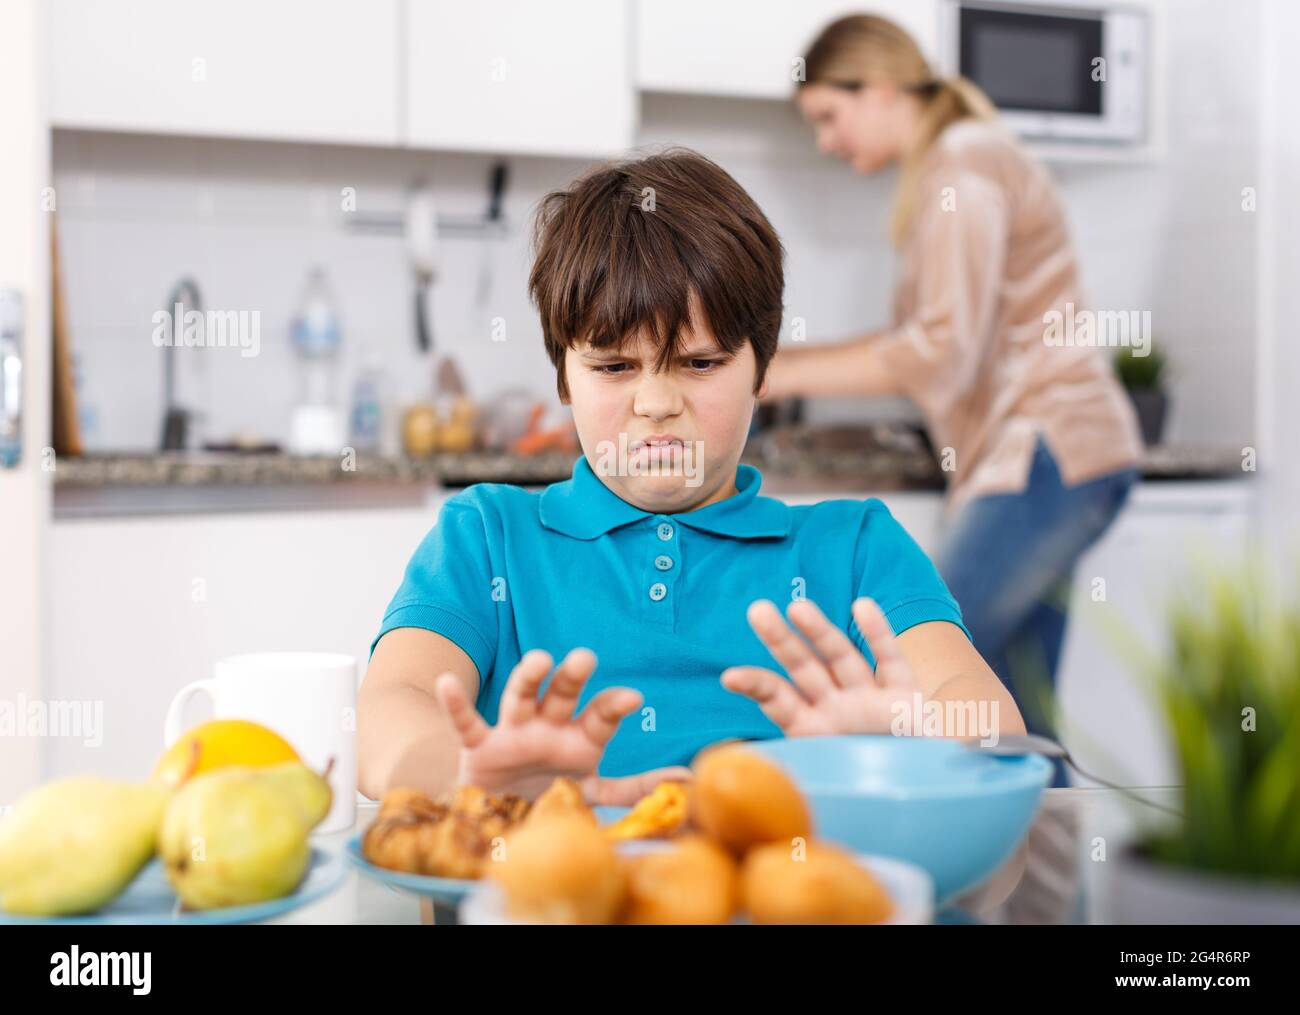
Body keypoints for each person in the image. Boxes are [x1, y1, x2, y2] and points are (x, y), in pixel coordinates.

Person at [358, 148, 1025, 803]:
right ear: (562, 374)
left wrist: (914, 735)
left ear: (762, 371)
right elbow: (389, 714)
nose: (655, 403)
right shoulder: (485, 537)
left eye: (700, 363)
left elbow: (991, 724)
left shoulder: (857, 548)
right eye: (614, 367)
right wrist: (473, 777)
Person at [764, 15, 1142, 785]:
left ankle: (960, 882)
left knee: (936, 665)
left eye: (830, 118)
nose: (829, 143)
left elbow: (940, 347)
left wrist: (776, 368)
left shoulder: (962, 173)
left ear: (879, 87)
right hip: (1059, 455)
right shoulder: (961, 165)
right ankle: (1043, 902)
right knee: (1015, 711)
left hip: (1051, 452)